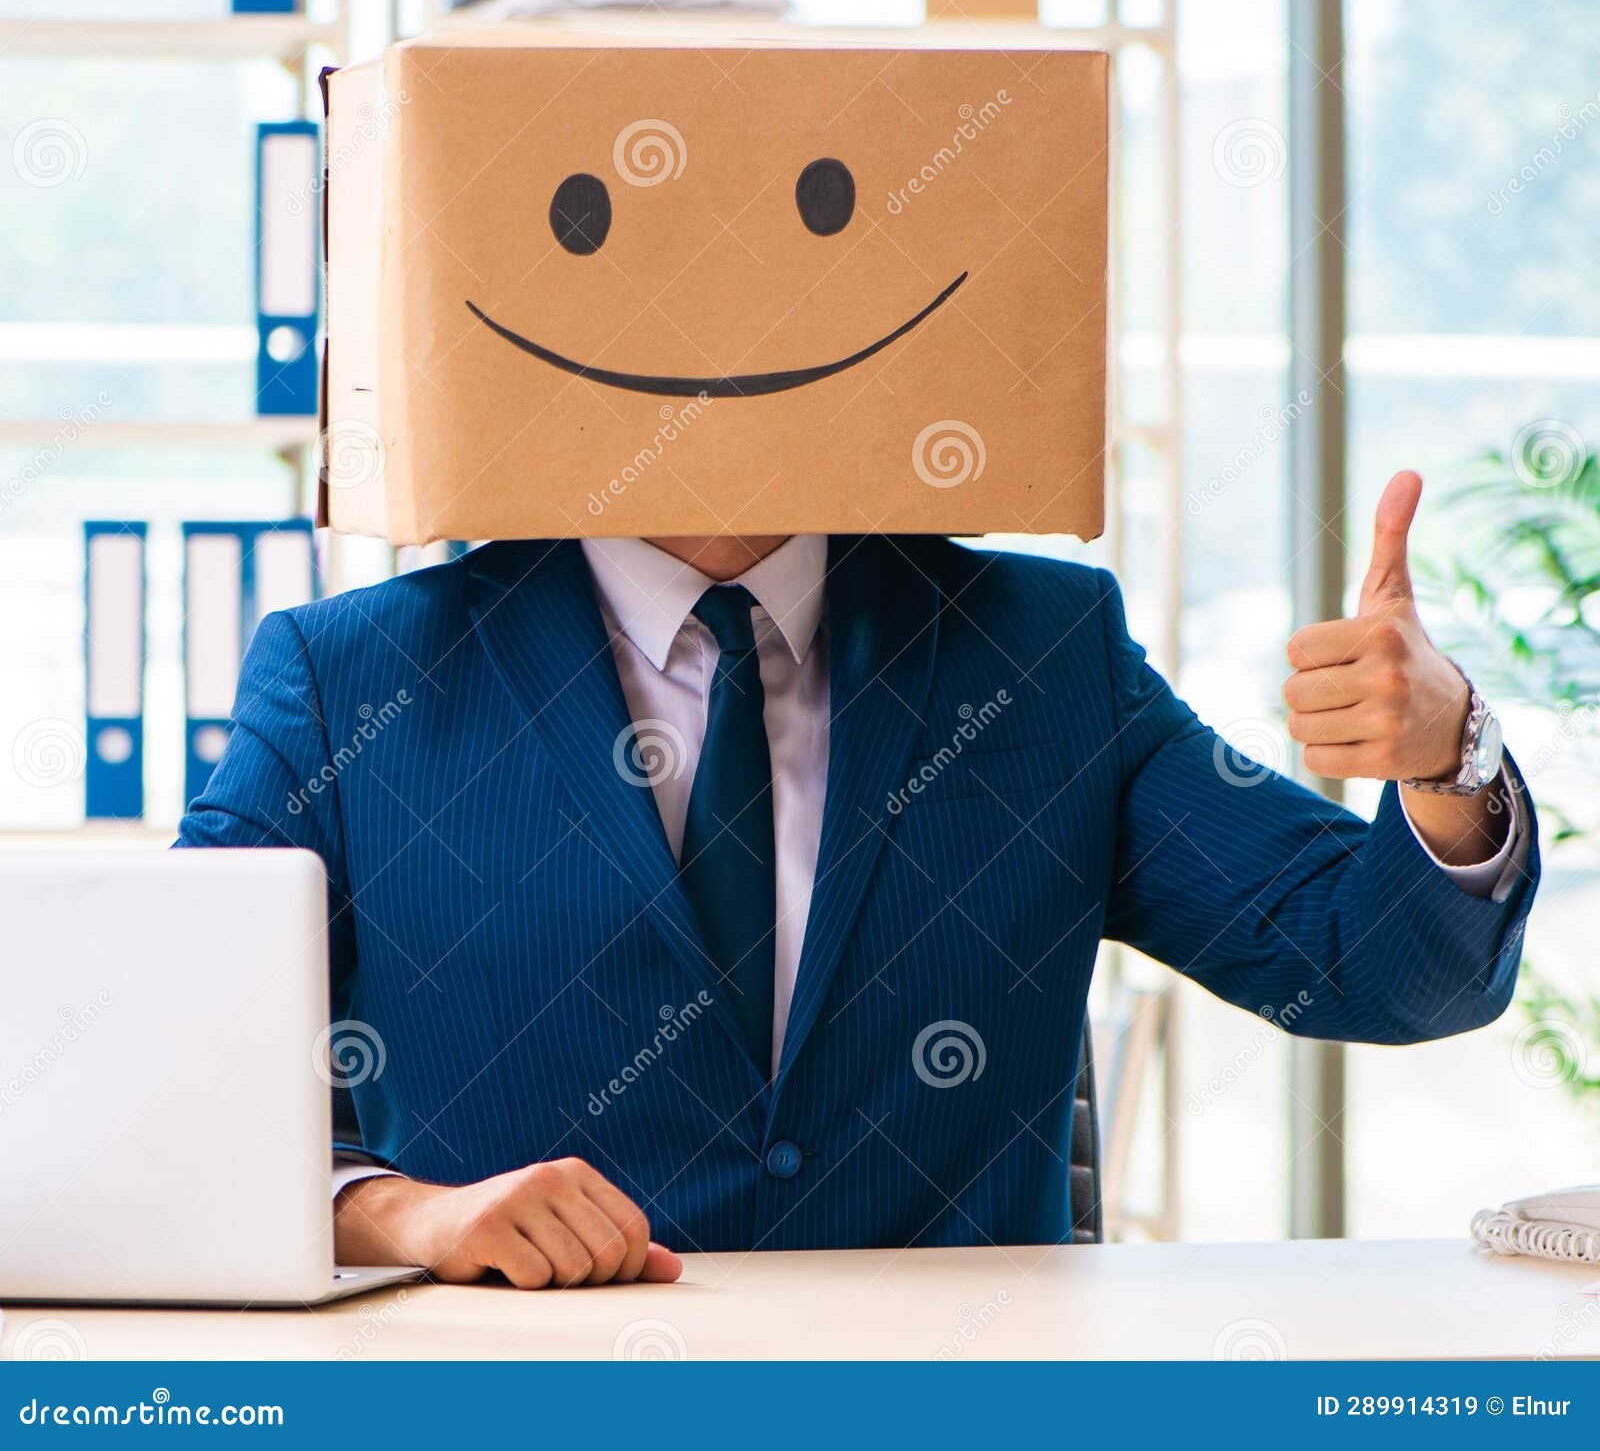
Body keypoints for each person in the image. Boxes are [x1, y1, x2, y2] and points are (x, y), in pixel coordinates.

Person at [178, 470, 1535, 1289]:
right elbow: (178, 1094)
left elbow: (1371, 962)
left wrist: (1448, 753)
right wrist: (406, 1214)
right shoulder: (350, 676)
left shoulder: (1042, 653)